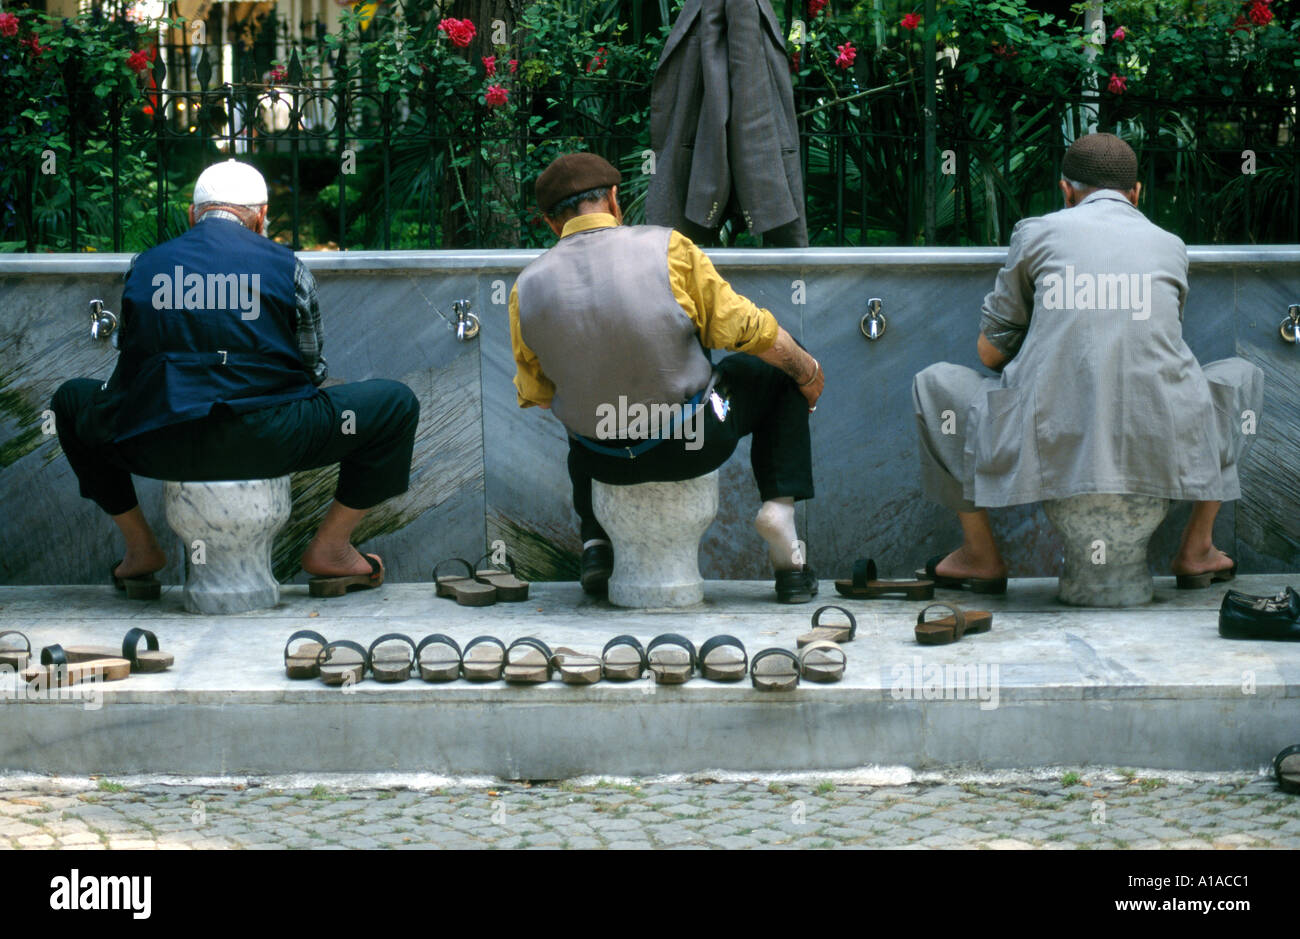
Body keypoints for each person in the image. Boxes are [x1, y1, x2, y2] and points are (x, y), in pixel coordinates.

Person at [912, 133, 1264, 589]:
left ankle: (980, 556)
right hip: (1161, 436)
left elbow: (989, 352)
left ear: (1066, 191)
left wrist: (1050, 341)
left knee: (934, 382)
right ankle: (1197, 548)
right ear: (1137, 194)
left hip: (1052, 437)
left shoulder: (1036, 232)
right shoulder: (1170, 244)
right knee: (1244, 376)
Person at [51, 160, 419, 595]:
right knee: (395, 403)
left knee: (71, 400)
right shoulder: (288, 266)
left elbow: (127, 362)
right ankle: (331, 547)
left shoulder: (144, 265)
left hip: (155, 441)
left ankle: (140, 548)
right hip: (271, 439)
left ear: (193, 215)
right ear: (261, 217)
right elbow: (312, 367)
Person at [509, 152, 823, 601]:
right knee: (777, 366)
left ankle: (595, 541)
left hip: (603, 460)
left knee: (579, 405)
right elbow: (752, 332)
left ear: (549, 223)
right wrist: (806, 370)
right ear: (615, 200)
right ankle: (782, 522)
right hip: (695, 444)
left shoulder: (526, 288)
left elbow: (539, 397)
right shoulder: (668, 248)